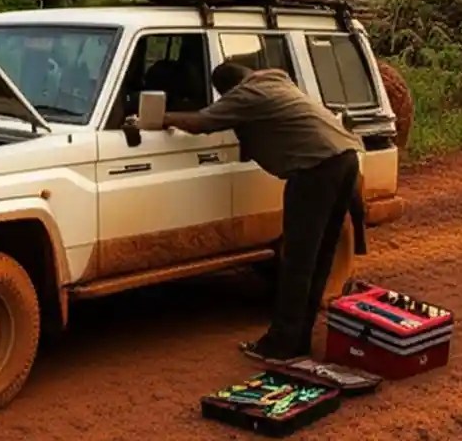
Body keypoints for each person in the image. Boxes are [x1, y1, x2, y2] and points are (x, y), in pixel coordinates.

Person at [132, 61, 367, 364]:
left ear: (227, 89)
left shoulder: (247, 95)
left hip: (314, 168)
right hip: (345, 159)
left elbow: (202, 122)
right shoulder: (277, 81)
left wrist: (157, 118)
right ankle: (299, 341)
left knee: (298, 262)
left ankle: (280, 345)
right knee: (318, 259)